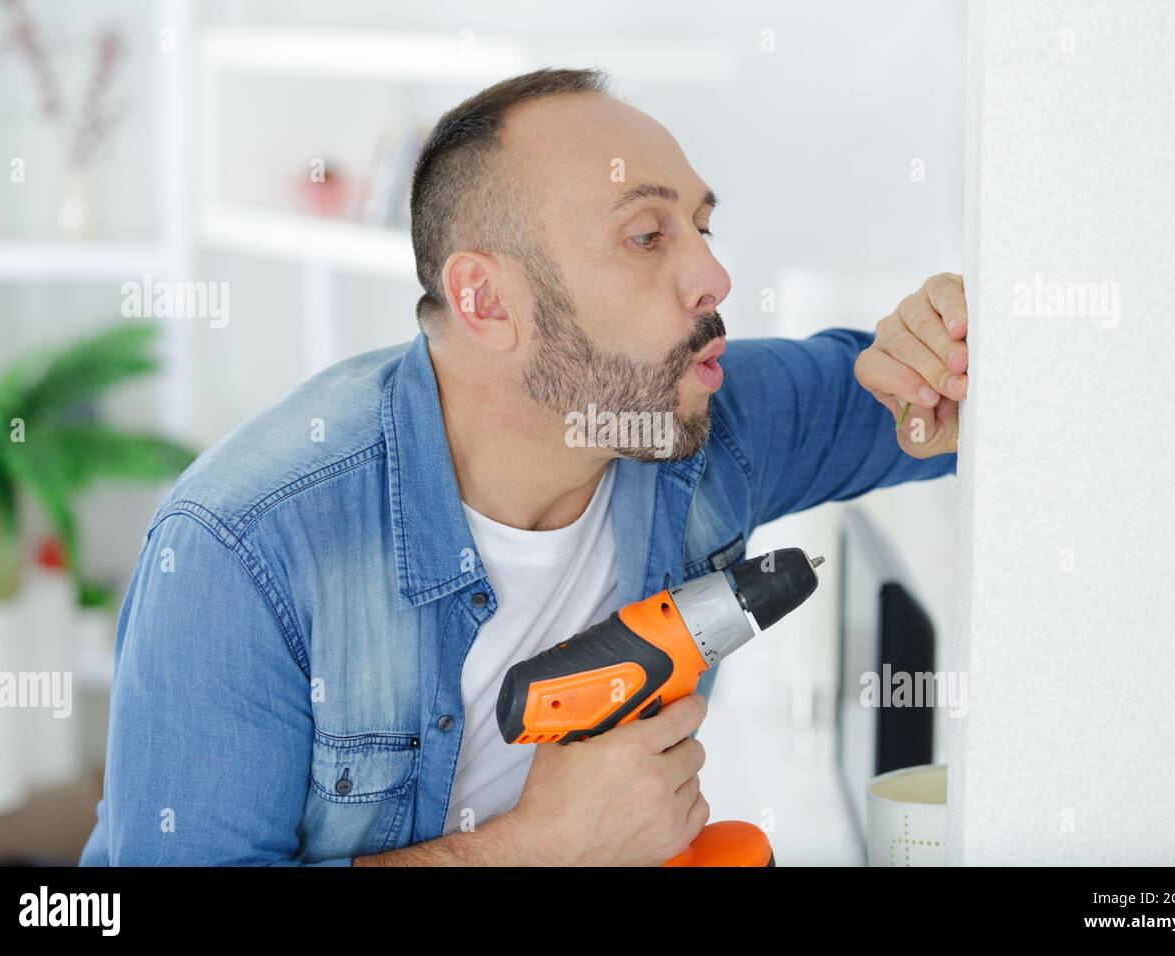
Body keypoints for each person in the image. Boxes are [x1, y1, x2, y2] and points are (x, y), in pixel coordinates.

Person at [79, 68, 968, 867]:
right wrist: (539, 849)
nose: (715, 275)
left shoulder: (695, 417)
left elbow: (935, 400)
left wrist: (945, 343)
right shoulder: (239, 552)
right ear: (486, 300)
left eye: (702, 225)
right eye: (647, 235)